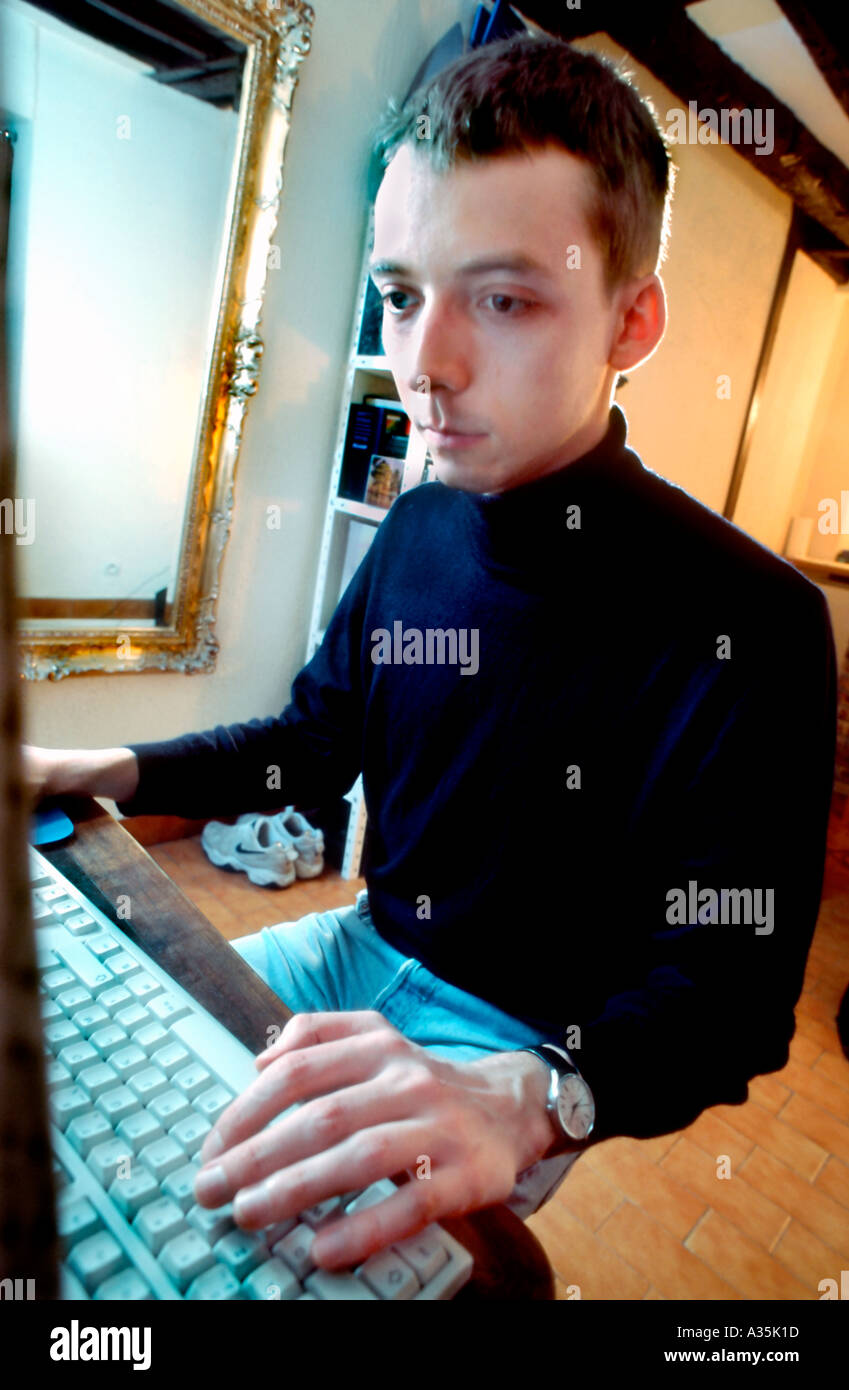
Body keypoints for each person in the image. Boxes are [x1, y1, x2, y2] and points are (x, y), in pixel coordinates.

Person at [25, 34, 837, 1275]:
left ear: (633, 320)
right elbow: (312, 743)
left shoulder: (758, 623)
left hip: (521, 1039)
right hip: (353, 944)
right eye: (403, 294)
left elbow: (728, 992)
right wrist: (97, 767)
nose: (423, 364)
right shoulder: (415, 522)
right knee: (87, 1087)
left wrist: (533, 1098)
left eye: (503, 298)